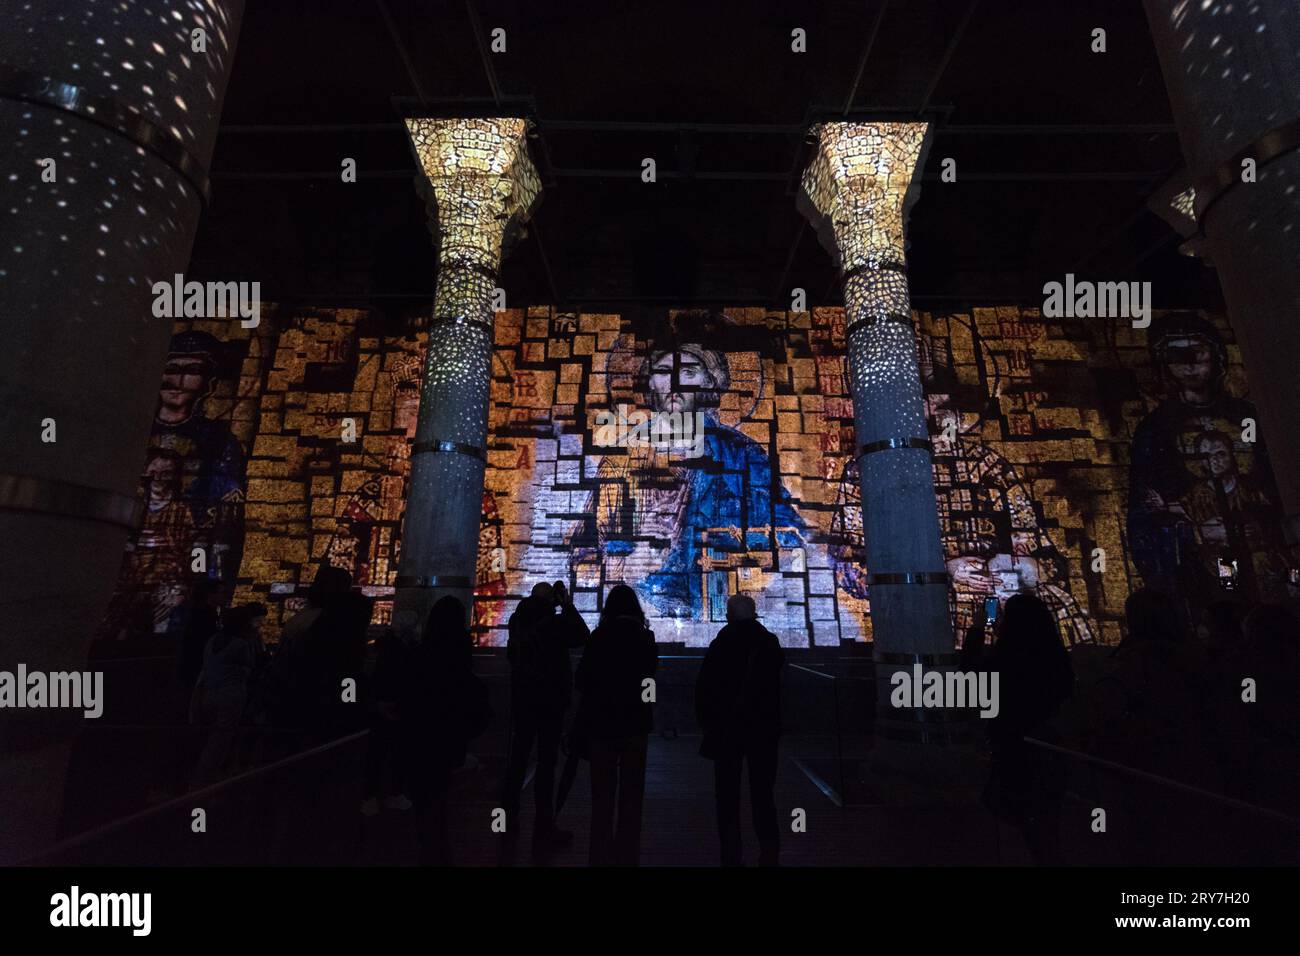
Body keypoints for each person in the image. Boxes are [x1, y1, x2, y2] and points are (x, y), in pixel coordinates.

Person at [397, 596, 491, 865]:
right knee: (437, 804)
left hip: (419, 739)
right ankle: (438, 855)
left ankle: (431, 853)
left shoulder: (418, 655)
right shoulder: (460, 656)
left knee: (426, 807)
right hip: (448, 741)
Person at [981, 592, 1074, 864]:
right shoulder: (1054, 656)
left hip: (1014, 745)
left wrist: (980, 630)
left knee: (1021, 819)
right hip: (1047, 743)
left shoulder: (1005, 659)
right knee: (1045, 821)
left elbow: (972, 682)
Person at [695, 594, 785, 866]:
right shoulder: (769, 643)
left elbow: (705, 687)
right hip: (763, 729)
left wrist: (707, 723)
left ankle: (731, 853)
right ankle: (770, 850)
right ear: (754, 614)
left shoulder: (722, 643)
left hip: (727, 728)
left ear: (729, 616)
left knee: (727, 795)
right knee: (763, 792)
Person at [502, 580, 589, 848]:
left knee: (517, 759)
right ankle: (543, 827)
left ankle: (505, 822)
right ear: (551, 600)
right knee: (546, 764)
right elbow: (582, 636)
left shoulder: (517, 621)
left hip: (523, 698)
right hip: (549, 699)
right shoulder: (551, 622)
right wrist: (567, 604)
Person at [574, 584, 658, 865]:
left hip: (602, 724)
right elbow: (649, 681)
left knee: (602, 797)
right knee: (632, 796)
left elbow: (583, 681)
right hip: (635, 724)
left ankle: (599, 855)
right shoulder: (646, 638)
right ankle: (626, 855)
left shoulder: (599, 637)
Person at [188, 604, 261, 787]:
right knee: (219, 743)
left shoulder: (213, 640)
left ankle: (199, 780)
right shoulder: (242, 644)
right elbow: (253, 667)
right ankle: (204, 783)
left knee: (209, 740)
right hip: (231, 697)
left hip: (208, 693)